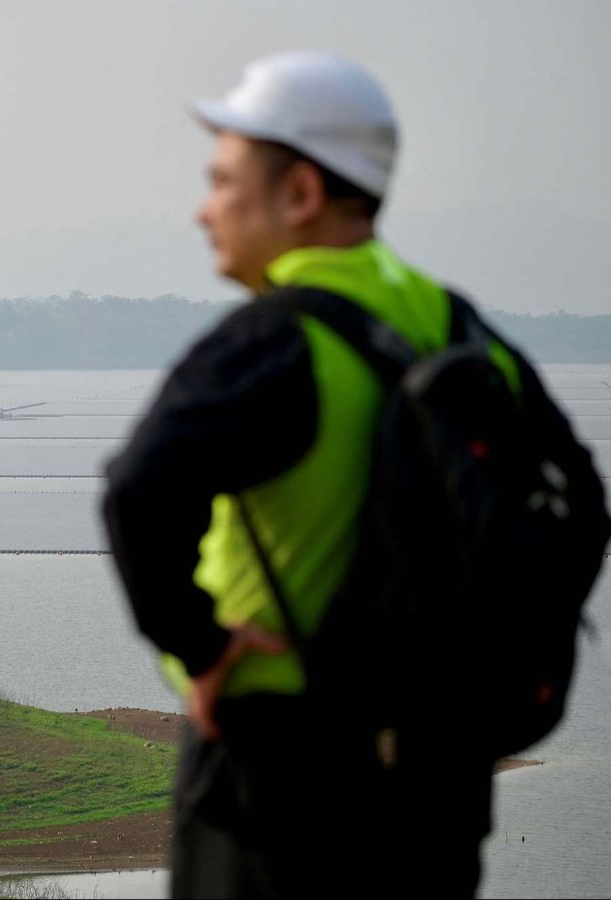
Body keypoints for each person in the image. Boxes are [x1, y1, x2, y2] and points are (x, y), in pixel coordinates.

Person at [102, 52, 499, 897]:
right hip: (438, 778)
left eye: (221, 181)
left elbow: (136, 490)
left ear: (301, 194)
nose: (202, 211)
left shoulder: (274, 342)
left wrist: (202, 647)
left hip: (281, 773)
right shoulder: (456, 325)